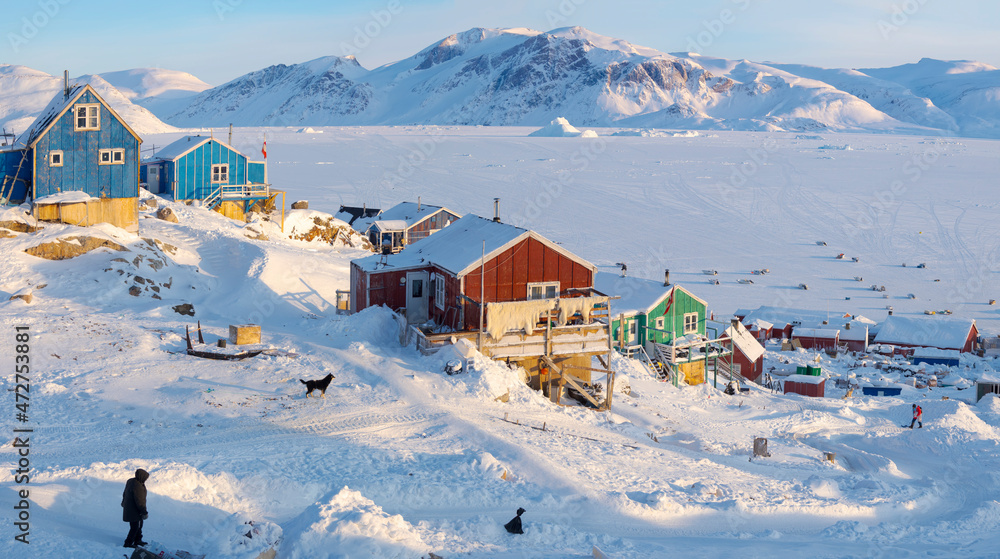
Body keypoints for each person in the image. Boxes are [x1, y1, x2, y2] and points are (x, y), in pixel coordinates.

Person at [122, 468, 150, 548]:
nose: (146, 479)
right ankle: (128, 543)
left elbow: (124, 493)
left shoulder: (131, 481)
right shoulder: (138, 486)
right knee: (135, 527)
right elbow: (140, 501)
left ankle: (138, 540)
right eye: (145, 478)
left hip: (130, 508)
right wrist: (144, 512)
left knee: (139, 525)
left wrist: (123, 502)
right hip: (134, 510)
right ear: (141, 476)